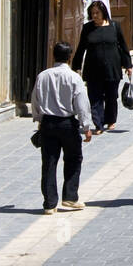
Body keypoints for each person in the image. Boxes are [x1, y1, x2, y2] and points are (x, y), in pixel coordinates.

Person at [30, 41, 93, 214]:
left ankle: (50, 203)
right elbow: (82, 103)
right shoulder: (74, 77)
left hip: (48, 123)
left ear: (53, 55)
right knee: (73, 158)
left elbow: (35, 99)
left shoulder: (43, 76)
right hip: (67, 123)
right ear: (70, 57)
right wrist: (86, 126)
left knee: (49, 162)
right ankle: (70, 197)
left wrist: (38, 119)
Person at [72, 0, 133, 133]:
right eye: (92, 13)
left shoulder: (114, 26)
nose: (95, 16)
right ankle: (98, 124)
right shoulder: (88, 28)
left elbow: (123, 46)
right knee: (95, 97)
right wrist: (76, 66)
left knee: (111, 96)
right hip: (93, 68)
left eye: (97, 13)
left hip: (112, 67)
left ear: (103, 12)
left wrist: (128, 65)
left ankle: (110, 120)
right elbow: (81, 48)